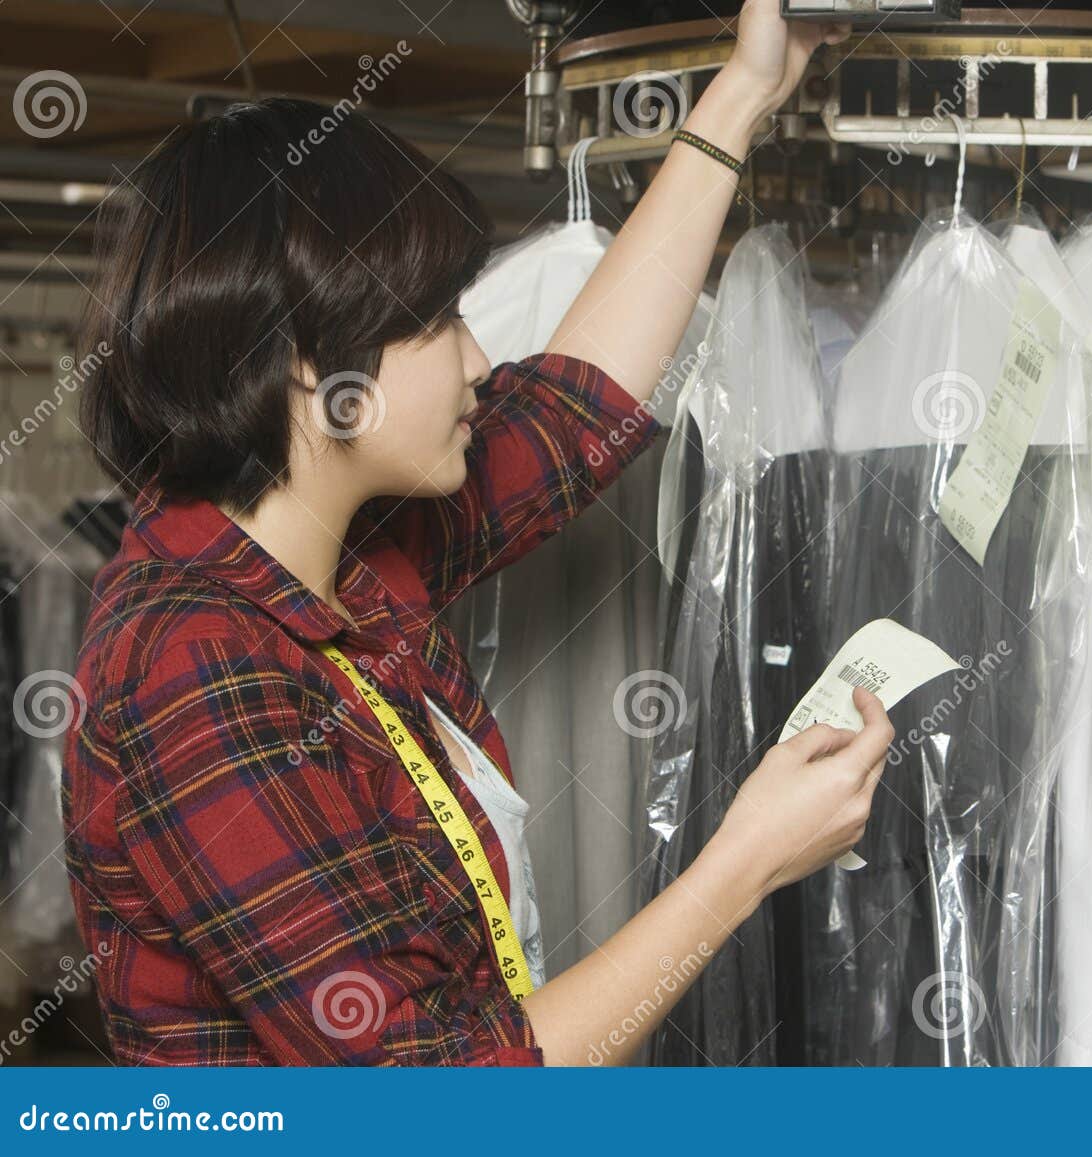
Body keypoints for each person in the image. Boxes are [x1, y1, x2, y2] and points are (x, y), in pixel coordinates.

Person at [63, 0, 882, 1066]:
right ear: (322, 376)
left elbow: (575, 407)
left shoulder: (333, 556)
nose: (479, 360)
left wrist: (742, 92)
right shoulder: (195, 672)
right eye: (440, 319)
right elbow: (440, 1090)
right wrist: (745, 862)